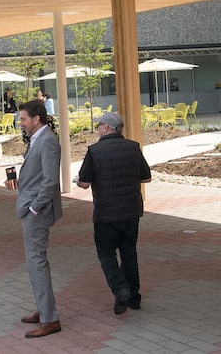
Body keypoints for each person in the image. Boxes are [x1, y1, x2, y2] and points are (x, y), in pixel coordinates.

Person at [76, 111, 152, 315]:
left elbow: (84, 182)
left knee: (106, 252)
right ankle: (134, 298)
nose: (98, 128)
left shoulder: (95, 151)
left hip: (106, 213)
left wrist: (78, 181)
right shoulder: (133, 147)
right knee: (129, 252)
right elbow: (146, 178)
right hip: (131, 211)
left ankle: (120, 289)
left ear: (107, 128)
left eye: (100, 125)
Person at [13, 98, 62, 338]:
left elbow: (51, 181)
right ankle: (44, 311)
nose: (20, 123)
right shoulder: (39, 139)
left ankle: (50, 318)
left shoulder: (48, 141)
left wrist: (34, 208)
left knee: (37, 263)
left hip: (37, 213)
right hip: (32, 208)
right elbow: (38, 175)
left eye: (23, 119)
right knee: (35, 263)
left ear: (36, 119)